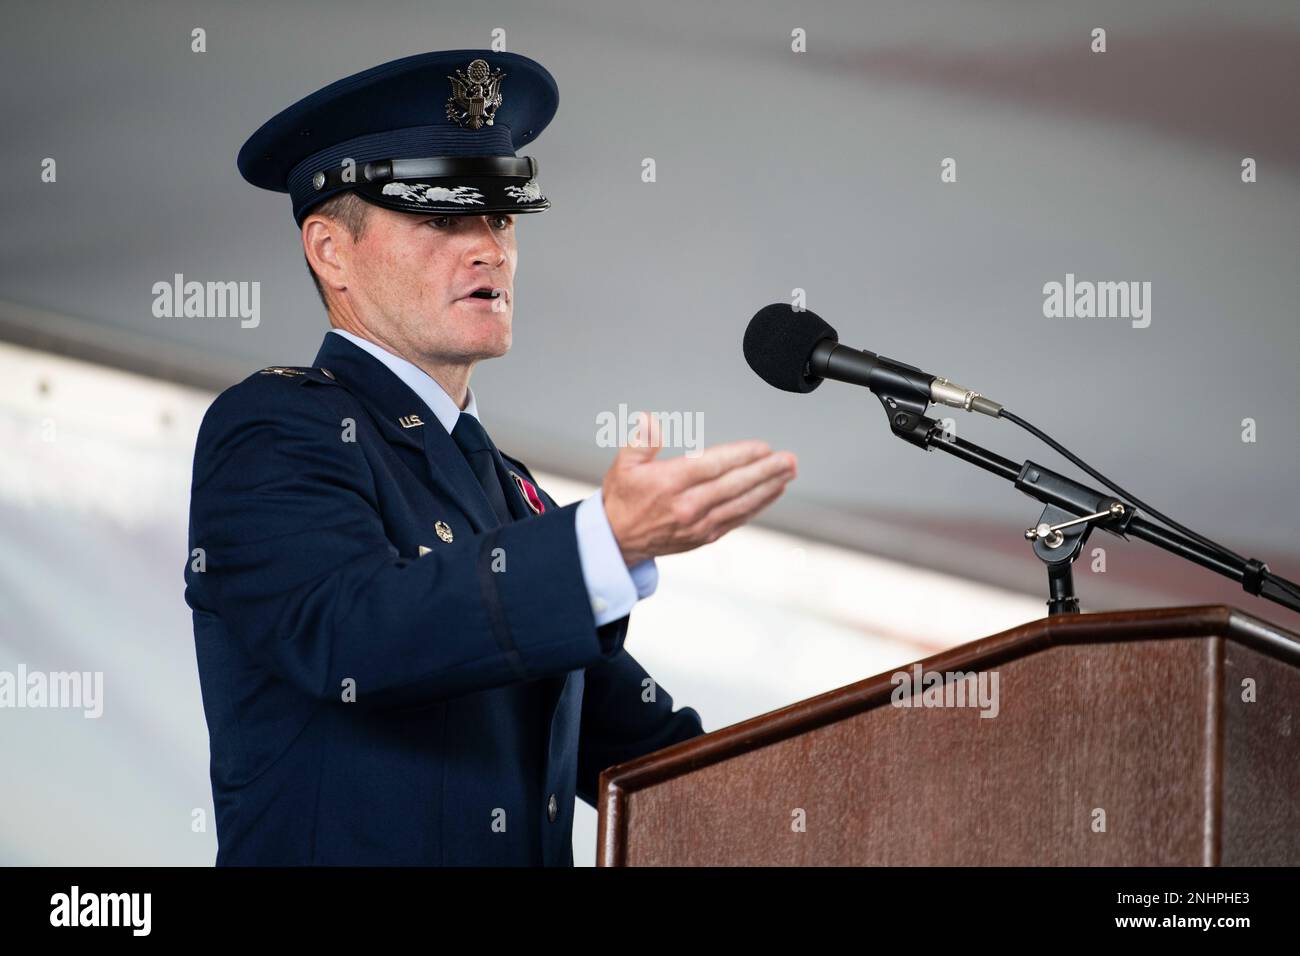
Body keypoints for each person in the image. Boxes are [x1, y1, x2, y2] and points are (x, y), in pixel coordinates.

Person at [184, 49, 797, 865]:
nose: (489, 250)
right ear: (331, 251)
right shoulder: (271, 427)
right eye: (441, 220)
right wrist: (599, 544)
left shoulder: (508, 491)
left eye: (501, 219)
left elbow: (647, 756)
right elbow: (353, 636)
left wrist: (832, 789)